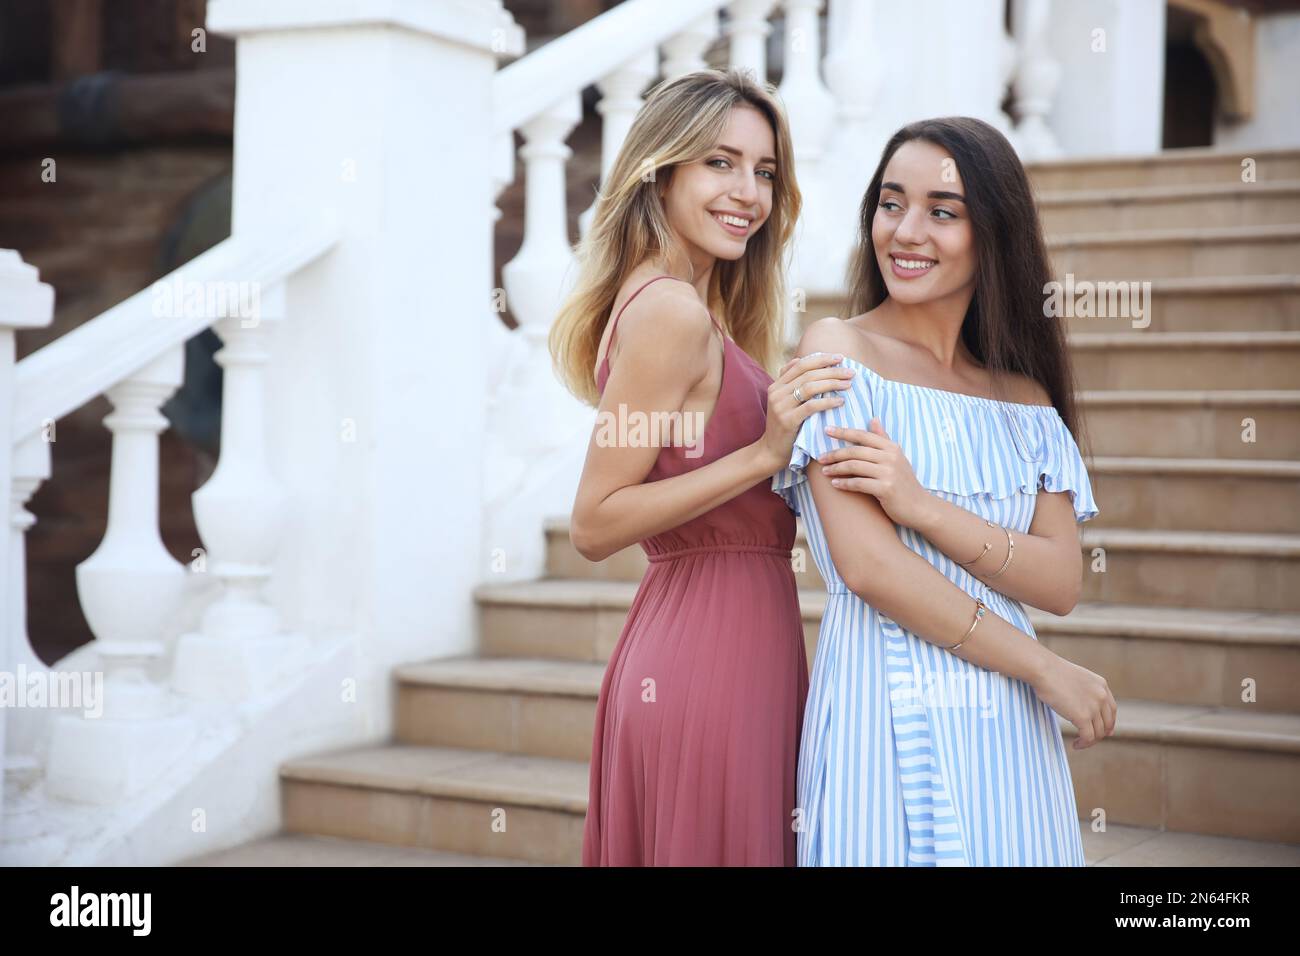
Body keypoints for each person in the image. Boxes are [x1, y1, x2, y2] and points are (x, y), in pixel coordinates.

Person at [774, 116, 1117, 866]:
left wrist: (922, 505)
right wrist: (1044, 667)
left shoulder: (1024, 398)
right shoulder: (839, 353)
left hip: (1005, 730)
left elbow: (1059, 581)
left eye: (942, 211)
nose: (906, 231)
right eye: (891, 203)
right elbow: (869, 568)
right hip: (883, 710)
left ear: (993, 233)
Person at [549, 68, 852, 865]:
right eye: (719, 162)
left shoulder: (682, 306)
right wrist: (762, 454)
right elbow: (595, 520)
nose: (747, 192)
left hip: (722, 644)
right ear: (662, 168)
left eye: (764, 171)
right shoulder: (670, 314)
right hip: (710, 662)